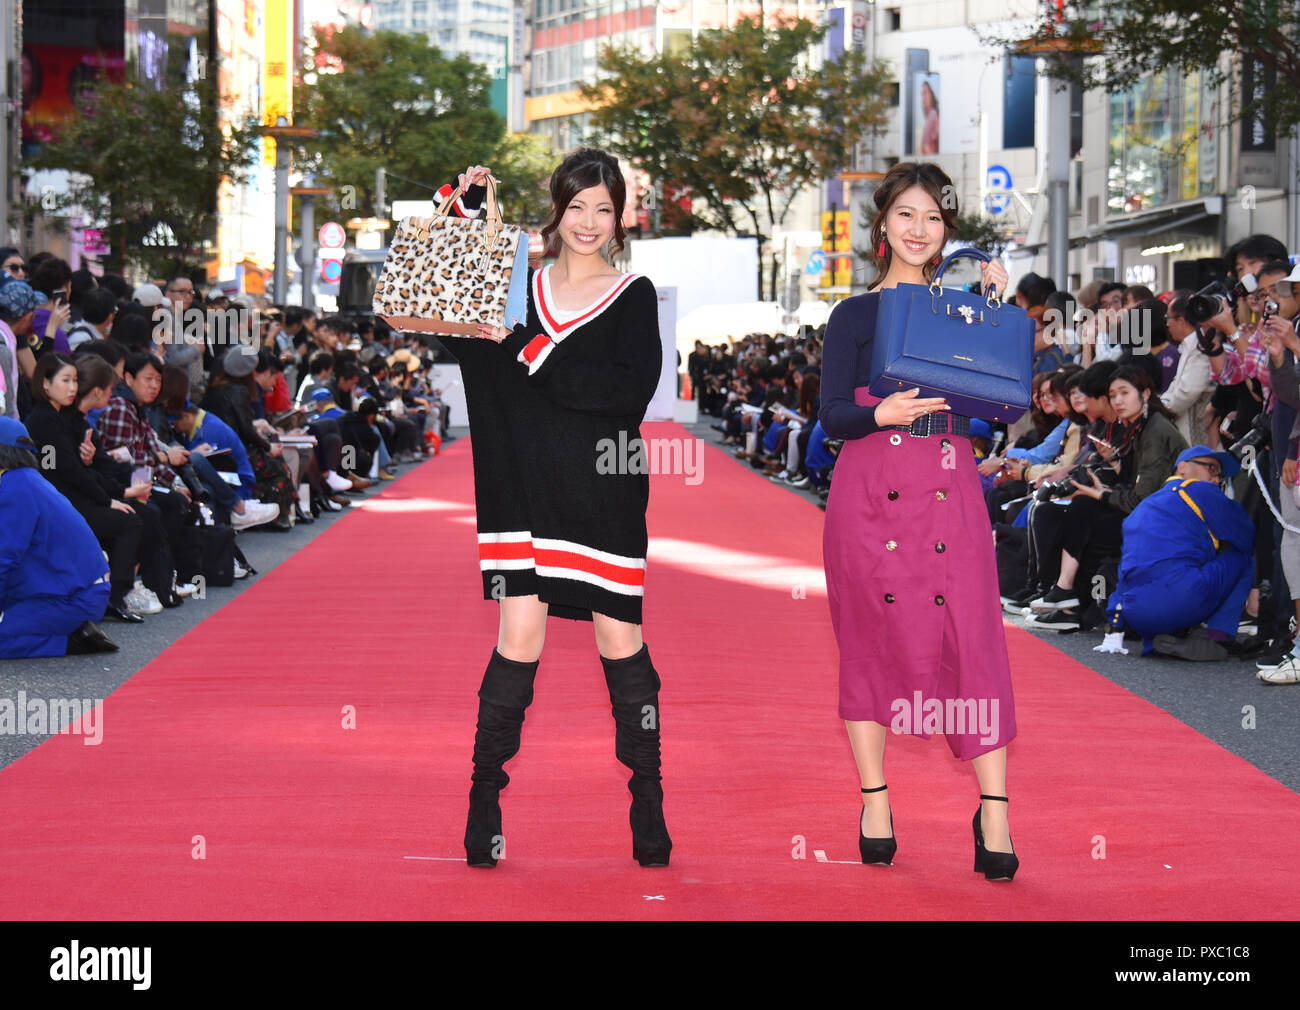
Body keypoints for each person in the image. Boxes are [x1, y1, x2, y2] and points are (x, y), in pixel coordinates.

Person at [437, 150, 670, 868]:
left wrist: (535, 352)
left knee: (620, 644)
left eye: (604, 208)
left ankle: (648, 796)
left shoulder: (633, 293)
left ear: (620, 214)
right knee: (519, 638)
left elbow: (626, 392)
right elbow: (453, 329)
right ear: (556, 209)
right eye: (577, 207)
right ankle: (483, 800)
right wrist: (462, 216)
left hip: (604, 497)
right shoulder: (516, 288)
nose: (590, 222)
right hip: (521, 497)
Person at [818, 160, 1019, 881]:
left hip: (949, 485)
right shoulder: (854, 315)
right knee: (868, 644)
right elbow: (831, 417)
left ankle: (993, 809)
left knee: (974, 642)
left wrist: (997, 317)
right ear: (882, 225)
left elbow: (1001, 410)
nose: (918, 229)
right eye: (906, 214)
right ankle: (876, 799)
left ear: (946, 232)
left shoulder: (962, 309)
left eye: (933, 218)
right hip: (870, 491)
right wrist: (881, 412)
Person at [1094, 446, 1253, 660]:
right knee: (1242, 557)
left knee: (1159, 567)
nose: (1217, 479)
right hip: (1182, 598)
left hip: (1137, 613)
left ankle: (1162, 641)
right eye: (1211, 469)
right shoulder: (1198, 490)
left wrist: (1115, 624)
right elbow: (1246, 533)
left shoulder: (1144, 506)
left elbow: (1126, 572)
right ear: (1183, 468)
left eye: (1220, 475)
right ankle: (1218, 637)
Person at [0, 416, 118, 658]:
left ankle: (73, 642)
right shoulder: (27, 480)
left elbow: (5, 556)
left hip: (74, 598)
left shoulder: (15, 488)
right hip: (74, 591)